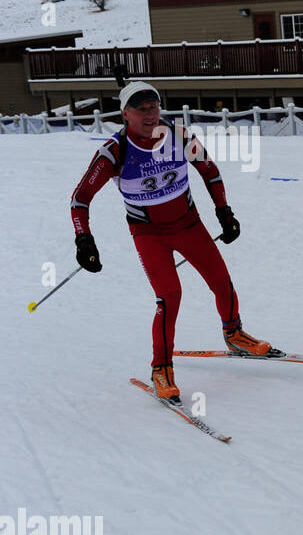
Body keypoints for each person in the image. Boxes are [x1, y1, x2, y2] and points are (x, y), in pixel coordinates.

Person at [70, 80, 273, 402]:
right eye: (141, 109)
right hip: (148, 233)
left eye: (154, 107)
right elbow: (80, 199)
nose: (150, 115)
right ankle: (161, 368)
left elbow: (210, 171)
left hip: (189, 224)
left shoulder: (178, 136)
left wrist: (224, 212)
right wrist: (84, 241)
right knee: (170, 297)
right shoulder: (115, 151)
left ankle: (234, 334)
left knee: (221, 281)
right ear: (126, 114)